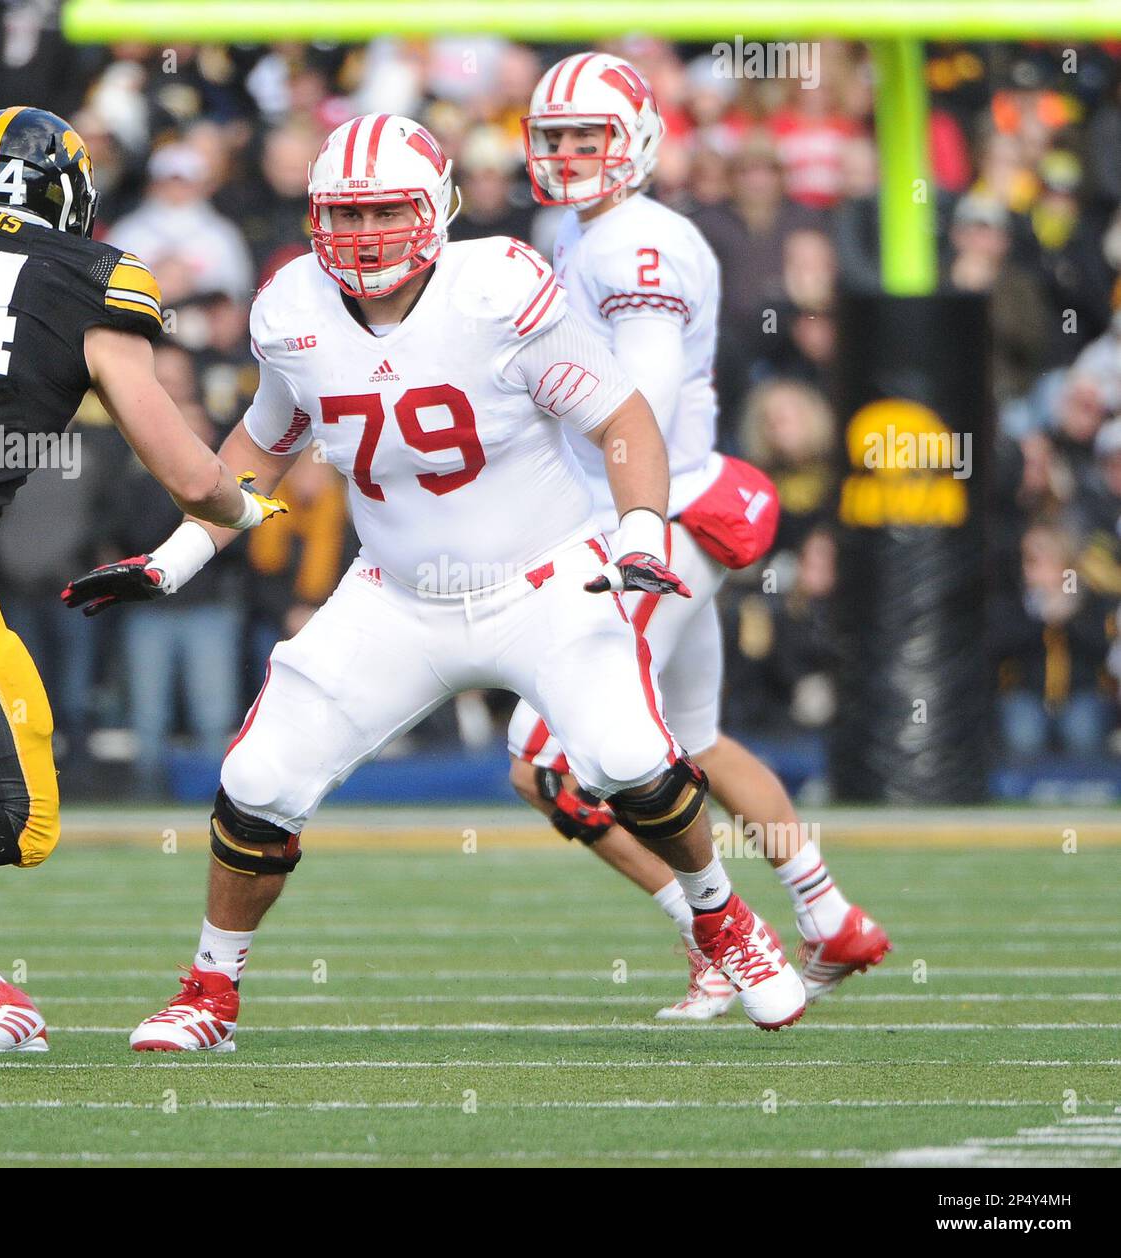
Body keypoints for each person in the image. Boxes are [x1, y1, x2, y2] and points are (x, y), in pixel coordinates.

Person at [64, 112, 809, 1050]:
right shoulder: (293, 306)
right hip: (396, 596)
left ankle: (721, 919)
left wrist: (641, 532)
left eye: (386, 211)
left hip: (544, 583)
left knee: (628, 760)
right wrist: (177, 557)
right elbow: (265, 443)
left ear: (437, 207)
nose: (366, 234)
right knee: (256, 777)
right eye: (347, 213)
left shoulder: (498, 287)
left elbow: (623, 418)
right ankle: (210, 992)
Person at [0, 106, 282, 1046]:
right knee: (18, 814)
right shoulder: (91, 276)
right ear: (68, 196)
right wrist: (242, 509)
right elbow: (191, 472)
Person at [512, 53, 890, 1021]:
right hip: (671, 511)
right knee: (696, 738)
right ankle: (828, 912)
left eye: (584, 135)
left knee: (547, 763)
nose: (564, 153)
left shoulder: (636, 240)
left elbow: (635, 393)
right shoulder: (585, 228)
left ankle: (713, 935)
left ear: (635, 137)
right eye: (551, 136)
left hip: (651, 521)